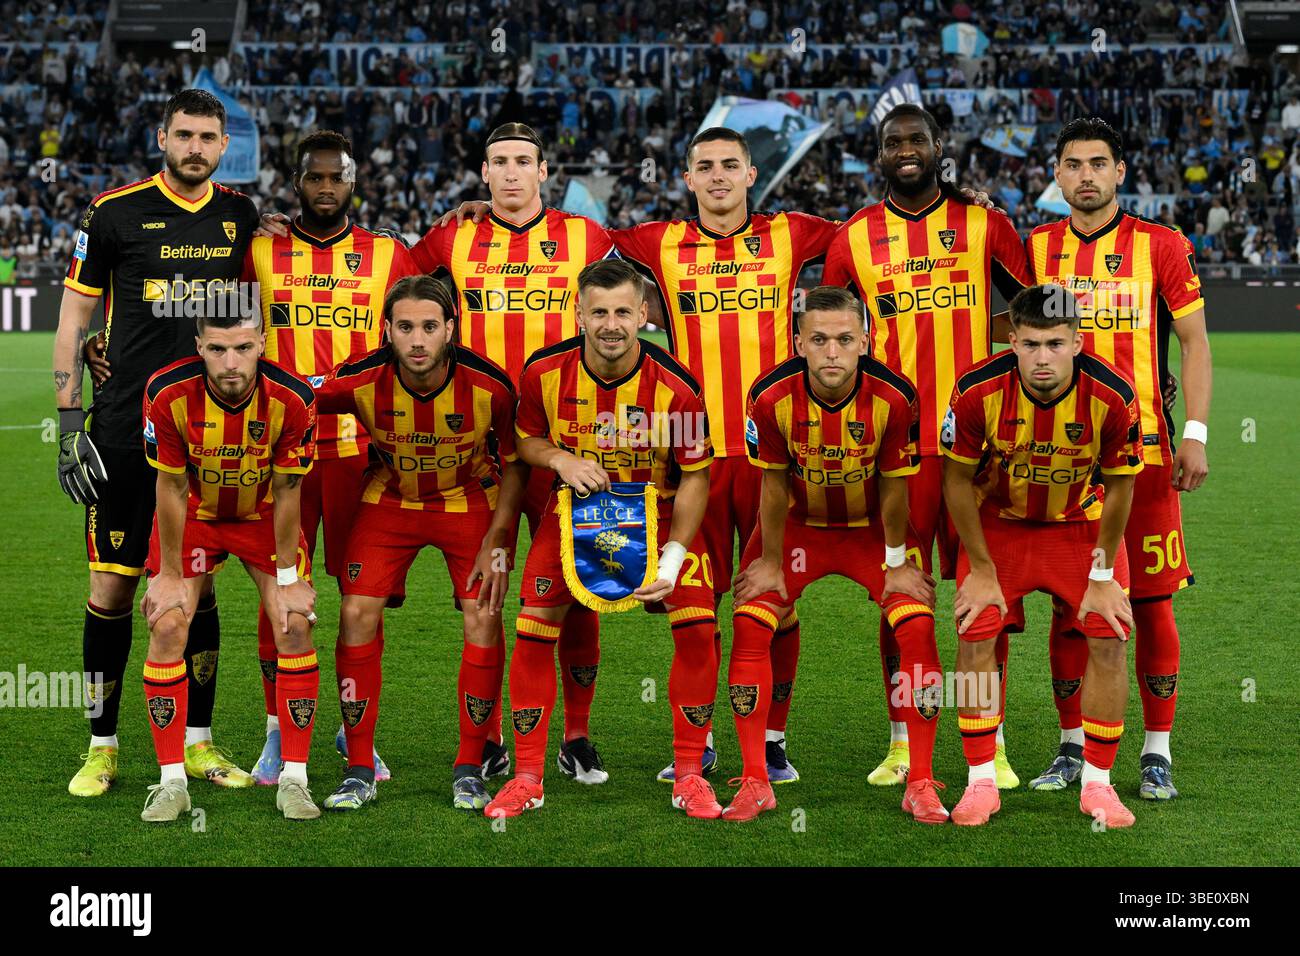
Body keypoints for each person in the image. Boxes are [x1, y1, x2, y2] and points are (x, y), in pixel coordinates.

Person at [56, 89, 260, 798]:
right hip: (121, 427)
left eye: (208, 136)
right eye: (184, 134)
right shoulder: (113, 212)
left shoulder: (240, 216)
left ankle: (199, 744)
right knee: (111, 588)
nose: (195, 147)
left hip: (208, 432)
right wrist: (66, 415)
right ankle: (101, 745)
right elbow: (77, 309)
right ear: (162, 136)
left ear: (222, 144)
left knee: (195, 592)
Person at [822, 103, 1032, 790]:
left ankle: (990, 740)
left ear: (940, 146)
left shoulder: (985, 224)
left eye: (917, 140)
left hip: (981, 451)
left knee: (981, 596)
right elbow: (830, 335)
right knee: (902, 596)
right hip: (898, 452)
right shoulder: (853, 238)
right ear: (876, 155)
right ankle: (904, 744)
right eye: (892, 143)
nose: (905, 151)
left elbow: (1035, 320)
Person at [483, 259, 720, 820]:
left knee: (698, 629)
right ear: (579, 315)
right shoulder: (543, 372)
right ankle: (528, 776)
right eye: (599, 313)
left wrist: (675, 553)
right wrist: (562, 458)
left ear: (643, 314)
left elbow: (695, 476)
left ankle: (689, 775)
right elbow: (528, 442)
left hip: (659, 512)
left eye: (622, 312)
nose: (611, 325)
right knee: (534, 628)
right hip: (574, 514)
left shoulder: (677, 387)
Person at [1024, 117, 1211, 800]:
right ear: (1057, 175)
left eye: (1098, 163)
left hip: (1149, 458)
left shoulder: (1161, 246)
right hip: (1061, 462)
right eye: (1072, 164)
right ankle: (1072, 744)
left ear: (1121, 171)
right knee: (1070, 609)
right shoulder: (1036, 248)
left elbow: (1192, 342)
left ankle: (1156, 751)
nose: (1086, 176)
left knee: (1154, 607)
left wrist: (1196, 431)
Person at [242, 129, 419, 784]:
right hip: (278, 460)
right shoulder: (258, 252)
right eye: (313, 178)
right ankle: (273, 732)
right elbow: (226, 333)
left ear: (355, 181)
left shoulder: (386, 255)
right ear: (295, 183)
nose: (324, 188)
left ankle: (354, 734)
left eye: (335, 177)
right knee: (278, 596)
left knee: (357, 601)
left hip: (359, 460)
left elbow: (412, 342)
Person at [727, 287, 944, 823]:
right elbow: (773, 487)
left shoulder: (895, 397)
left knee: (915, 627)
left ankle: (920, 781)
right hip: (799, 527)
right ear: (798, 341)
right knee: (753, 622)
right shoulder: (769, 395)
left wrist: (896, 560)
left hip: (872, 530)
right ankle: (756, 779)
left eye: (845, 340)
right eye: (819, 340)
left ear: (865, 342)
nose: (831, 352)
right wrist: (771, 561)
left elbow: (896, 489)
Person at [313, 276, 526, 812]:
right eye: (404, 327)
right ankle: (359, 766)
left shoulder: (491, 386)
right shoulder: (357, 378)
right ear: (386, 330)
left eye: (430, 327)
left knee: (483, 612)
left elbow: (518, 462)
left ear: (451, 328)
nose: (417, 340)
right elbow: (289, 395)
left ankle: (470, 765)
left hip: (470, 499)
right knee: (356, 610)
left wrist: (498, 540)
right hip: (390, 499)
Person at [941, 284, 1143, 828]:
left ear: (1078, 341)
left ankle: (1098, 786)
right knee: (974, 634)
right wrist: (981, 567)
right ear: (1012, 342)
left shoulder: (1113, 395)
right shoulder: (975, 391)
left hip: (1080, 528)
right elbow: (956, 482)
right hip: (1000, 528)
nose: (1043, 358)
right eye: (1030, 345)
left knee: (1109, 638)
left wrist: (1102, 574)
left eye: (1055, 343)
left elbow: (1121, 489)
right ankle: (980, 780)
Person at [138, 308, 320, 822]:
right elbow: (170, 486)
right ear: (199, 346)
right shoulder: (167, 392)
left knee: (293, 625)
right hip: (196, 514)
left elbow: (288, 489)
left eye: (243, 347)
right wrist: (170, 574)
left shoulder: (294, 397)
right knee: (169, 625)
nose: (231, 362)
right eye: (217, 349)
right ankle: (171, 781)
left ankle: (295, 779)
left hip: (262, 514)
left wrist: (288, 579)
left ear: (263, 343)